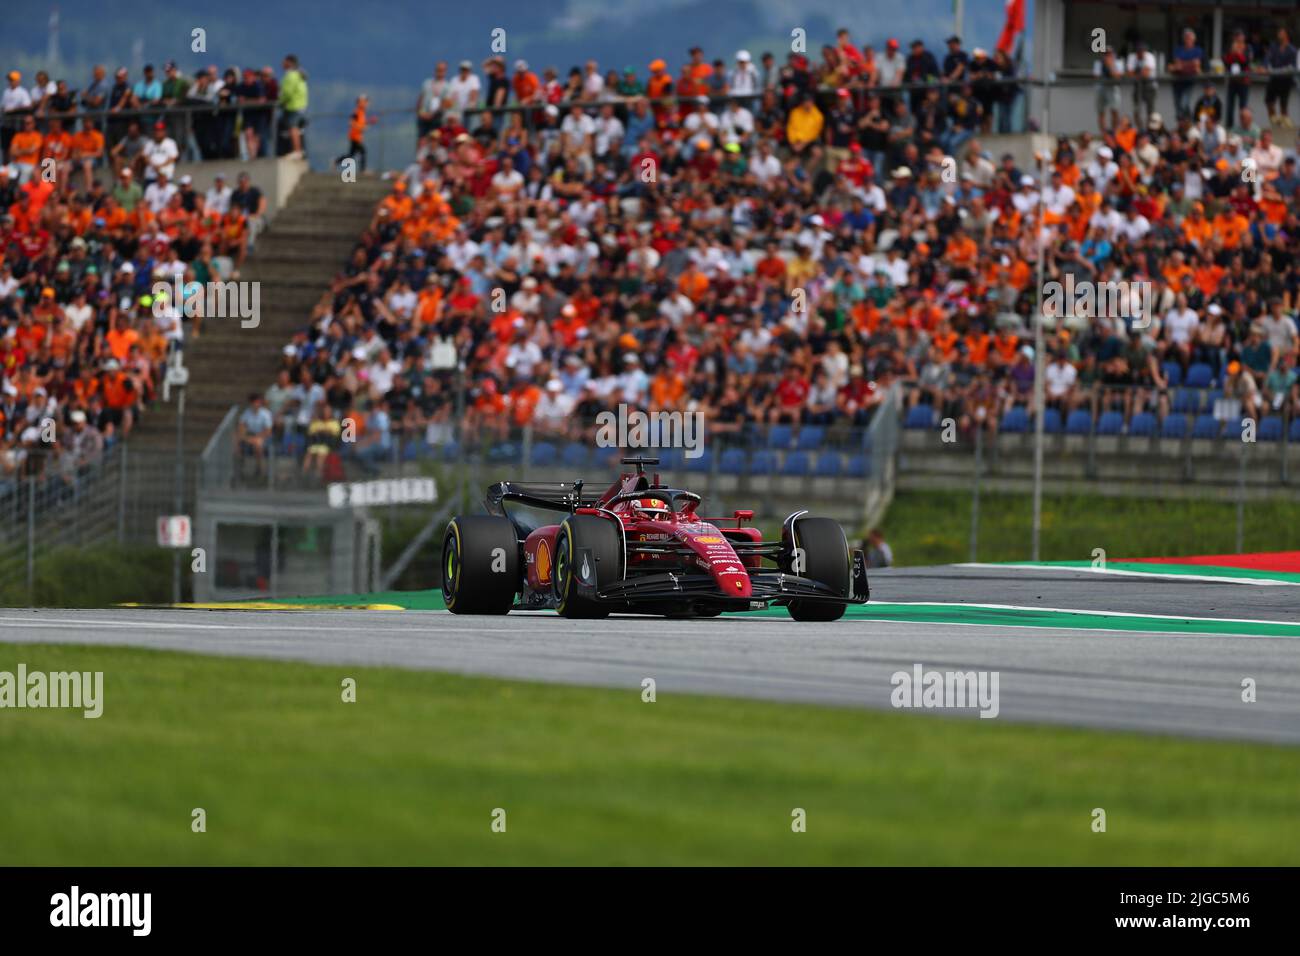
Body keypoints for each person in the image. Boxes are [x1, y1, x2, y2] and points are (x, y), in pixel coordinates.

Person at [278, 54, 309, 156]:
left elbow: (287, 93)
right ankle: (299, 150)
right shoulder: (299, 75)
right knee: (297, 129)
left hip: (293, 106)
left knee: (293, 128)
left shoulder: (291, 75)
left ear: (289, 63)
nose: (282, 63)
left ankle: (296, 151)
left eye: (284, 61)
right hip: (301, 105)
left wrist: (280, 101)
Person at [336, 94, 375, 172]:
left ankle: (336, 161)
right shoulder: (357, 112)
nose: (367, 104)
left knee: (351, 155)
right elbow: (351, 123)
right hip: (354, 136)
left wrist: (369, 122)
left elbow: (361, 124)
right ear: (360, 103)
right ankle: (363, 169)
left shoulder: (362, 113)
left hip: (357, 136)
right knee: (363, 151)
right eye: (365, 102)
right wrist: (361, 127)